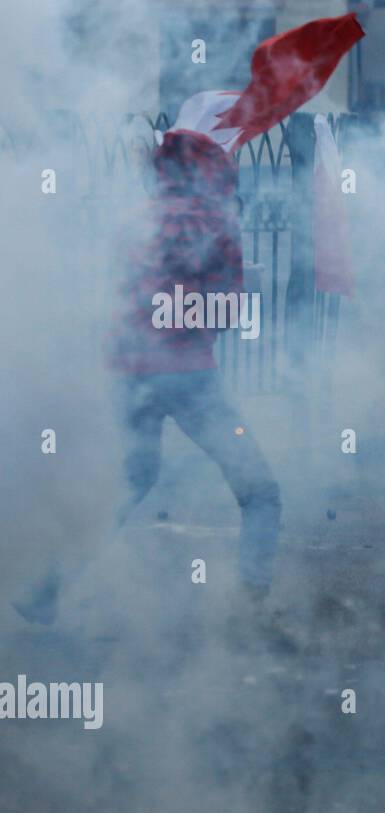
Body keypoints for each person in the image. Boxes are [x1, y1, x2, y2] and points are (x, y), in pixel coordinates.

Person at [13, 130, 281, 625]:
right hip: (190, 378)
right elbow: (226, 311)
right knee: (260, 491)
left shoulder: (132, 221)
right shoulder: (215, 223)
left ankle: (47, 584)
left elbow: (118, 295)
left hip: (129, 372)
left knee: (130, 482)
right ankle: (252, 607)